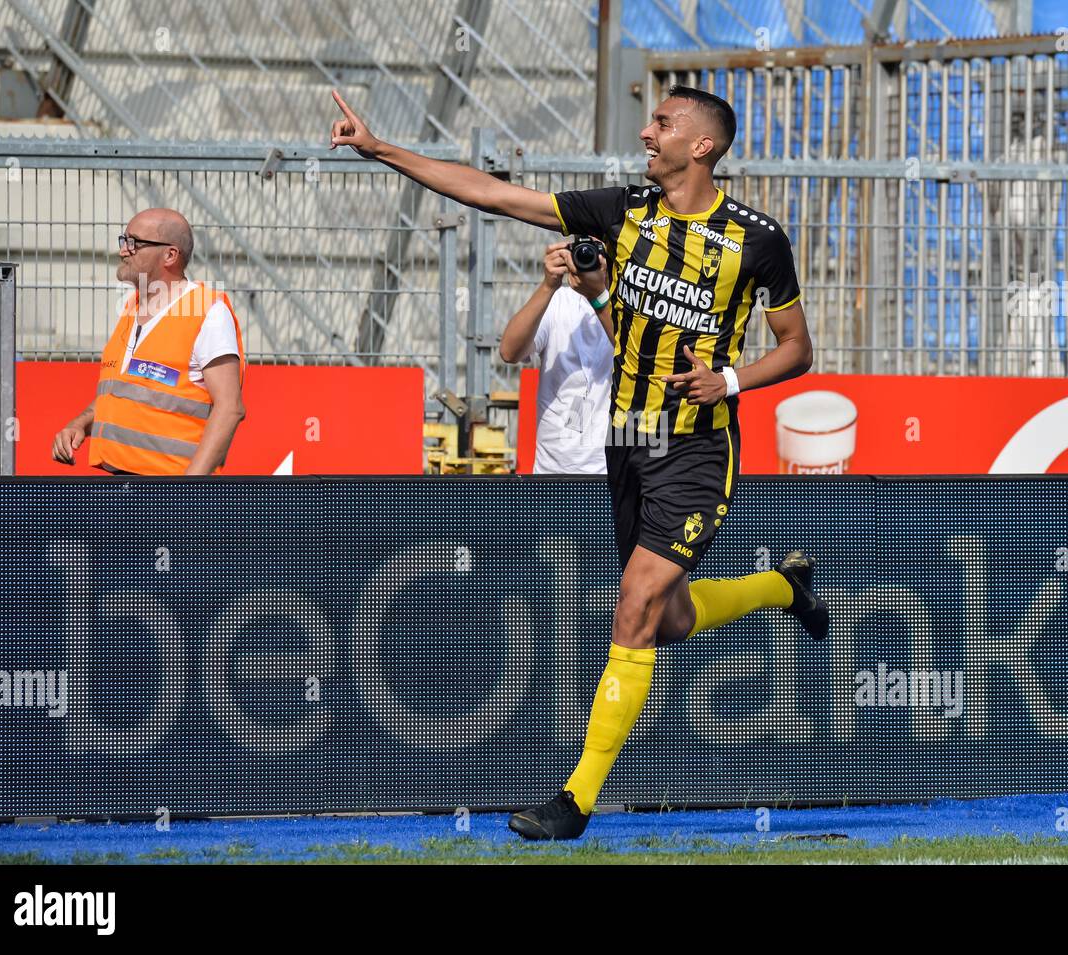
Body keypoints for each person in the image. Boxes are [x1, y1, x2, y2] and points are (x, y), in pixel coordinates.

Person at [330, 84, 826, 840]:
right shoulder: (621, 209)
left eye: (662, 123)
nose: (645, 131)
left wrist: (724, 380)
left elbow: (798, 348)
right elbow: (492, 194)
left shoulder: (758, 240)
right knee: (669, 618)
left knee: (634, 602)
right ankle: (782, 588)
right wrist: (381, 149)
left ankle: (576, 800)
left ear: (703, 146)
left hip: (696, 446)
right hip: (626, 443)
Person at [51, 208, 247, 476]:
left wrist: (188, 491)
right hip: (124, 481)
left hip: (171, 488)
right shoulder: (132, 308)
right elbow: (121, 392)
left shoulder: (207, 310)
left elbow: (230, 408)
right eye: (124, 241)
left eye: (134, 243)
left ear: (170, 255)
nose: (123, 251)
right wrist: (81, 424)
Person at [498, 239, 614, 474]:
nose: (590, 255)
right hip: (555, 470)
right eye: (585, 247)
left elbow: (639, 353)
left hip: (617, 469)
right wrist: (548, 285)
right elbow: (509, 352)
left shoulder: (637, 302)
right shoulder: (558, 300)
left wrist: (599, 295)